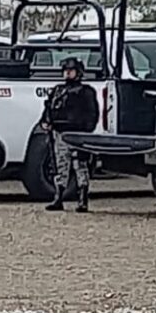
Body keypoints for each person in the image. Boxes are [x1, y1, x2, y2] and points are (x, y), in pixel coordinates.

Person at [39, 57, 100, 212]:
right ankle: (58, 197)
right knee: (60, 165)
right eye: (66, 71)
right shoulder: (58, 90)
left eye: (71, 71)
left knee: (80, 165)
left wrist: (86, 131)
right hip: (60, 133)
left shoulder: (86, 92)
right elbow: (48, 109)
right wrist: (45, 121)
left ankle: (82, 199)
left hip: (77, 134)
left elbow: (92, 114)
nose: (67, 73)